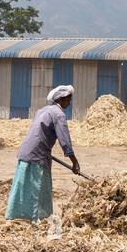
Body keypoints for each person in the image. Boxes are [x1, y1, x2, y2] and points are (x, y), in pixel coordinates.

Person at [6, 84, 80, 221]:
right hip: (37, 155)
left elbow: (39, 133)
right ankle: (34, 217)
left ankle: (18, 215)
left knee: (24, 186)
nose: (69, 102)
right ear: (60, 99)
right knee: (36, 188)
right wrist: (74, 162)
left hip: (27, 151)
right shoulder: (59, 115)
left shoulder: (42, 111)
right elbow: (65, 141)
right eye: (68, 99)